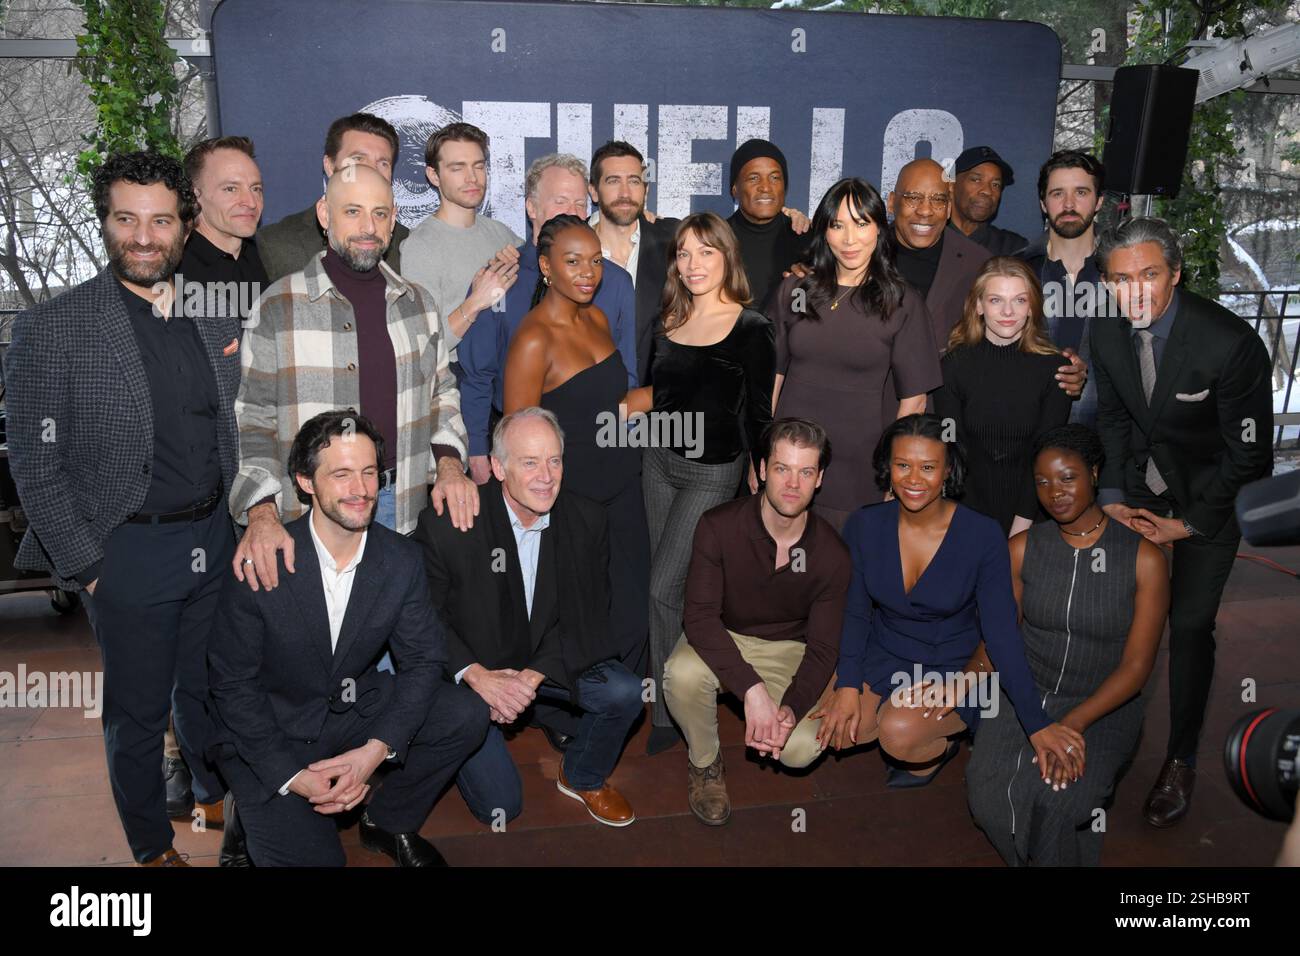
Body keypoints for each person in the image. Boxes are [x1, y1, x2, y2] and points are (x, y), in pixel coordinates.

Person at [4, 151, 240, 866]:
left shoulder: (211, 313)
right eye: (126, 219)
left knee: (206, 688)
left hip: (215, 535)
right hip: (128, 551)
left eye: (160, 221)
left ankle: (213, 793)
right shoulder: (55, 328)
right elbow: (35, 464)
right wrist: (90, 566)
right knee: (137, 714)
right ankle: (148, 845)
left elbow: (237, 422)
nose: (143, 237)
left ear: (184, 225)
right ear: (105, 222)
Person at [207, 411, 488, 866]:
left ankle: (386, 820)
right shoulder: (262, 558)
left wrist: (373, 753)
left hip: (351, 710)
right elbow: (231, 687)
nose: (360, 489)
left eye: (369, 472)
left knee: (465, 713)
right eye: (340, 474)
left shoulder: (399, 560)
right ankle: (246, 804)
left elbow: (423, 662)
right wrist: (291, 776)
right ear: (305, 481)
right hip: (270, 734)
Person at [1090, 217, 1274, 828]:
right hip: (1140, 487)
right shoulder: (1109, 329)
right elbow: (1114, 419)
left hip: (1207, 496)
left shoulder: (1230, 343)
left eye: (1148, 275)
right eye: (1120, 280)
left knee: (1190, 625)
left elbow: (1249, 455)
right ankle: (1099, 739)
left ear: (1175, 274)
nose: (1134, 292)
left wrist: (1189, 526)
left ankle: (1180, 759)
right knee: (1111, 615)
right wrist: (1113, 493)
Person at [229, 164, 476, 597]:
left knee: (398, 654)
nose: (368, 227)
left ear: (394, 218)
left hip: (404, 507)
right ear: (325, 214)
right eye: (353, 212)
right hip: (311, 515)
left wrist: (452, 466)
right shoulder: (276, 308)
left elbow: (443, 395)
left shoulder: (419, 305)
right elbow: (254, 422)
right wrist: (262, 513)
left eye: (380, 214)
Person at [814, 414, 1086, 788]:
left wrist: (1036, 724)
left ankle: (934, 753)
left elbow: (1002, 634)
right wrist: (847, 683)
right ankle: (891, 713)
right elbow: (857, 612)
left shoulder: (982, 535)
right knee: (837, 733)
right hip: (886, 650)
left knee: (898, 733)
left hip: (950, 664)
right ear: (887, 467)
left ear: (948, 471)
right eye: (902, 465)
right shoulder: (865, 524)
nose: (913, 479)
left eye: (928, 467)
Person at [415, 408, 643, 827]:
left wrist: (528, 679)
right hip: (475, 673)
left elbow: (589, 618)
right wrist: (478, 677)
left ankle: (582, 775)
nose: (546, 475)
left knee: (625, 692)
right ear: (498, 467)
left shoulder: (587, 519)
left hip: (546, 663)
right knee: (500, 807)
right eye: (530, 462)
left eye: (554, 460)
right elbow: (425, 621)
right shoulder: (451, 523)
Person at [967, 425, 1169, 866]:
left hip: (1102, 705)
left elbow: (1136, 668)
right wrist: (960, 683)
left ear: (1094, 473)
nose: (1054, 492)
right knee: (990, 802)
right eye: (1042, 482)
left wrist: (1072, 725)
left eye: (1067, 477)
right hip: (1024, 692)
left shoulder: (1144, 559)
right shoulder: (1022, 548)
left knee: (1057, 801)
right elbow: (999, 637)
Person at [663, 419, 850, 825]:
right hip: (722, 633)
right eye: (782, 468)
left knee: (799, 750)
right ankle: (705, 763)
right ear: (762, 469)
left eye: (805, 472)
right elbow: (698, 617)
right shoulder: (718, 525)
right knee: (680, 674)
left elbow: (822, 649)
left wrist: (790, 707)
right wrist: (751, 690)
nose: (792, 483)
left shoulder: (832, 554)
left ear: (820, 479)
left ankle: (780, 722)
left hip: (788, 649)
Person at [643, 212, 774, 754]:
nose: (693, 265)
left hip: (712, 470)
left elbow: (761, 414)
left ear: (727, 258)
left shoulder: (752, 328)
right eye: (684, 253)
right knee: (662, 585)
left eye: (706, 252)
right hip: (657, 462)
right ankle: (673, 697)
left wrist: (761, 473)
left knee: (664, 588)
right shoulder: (667, 319)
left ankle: (669, 716)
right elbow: (655, 396)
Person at [502, 215, 651, 679]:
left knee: (631, 604)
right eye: (573, 262)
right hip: (573, 497)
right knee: (579, 616)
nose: (588, 273)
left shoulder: (599, 317)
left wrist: (682, 382)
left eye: (595, 261)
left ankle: (621, 706)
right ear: (546, 266)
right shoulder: (532, 339)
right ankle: (572, 717)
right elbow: (517, 435)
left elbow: (614, 406)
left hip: (624, 484)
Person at [770, 177, 941, 531]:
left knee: (845, 574)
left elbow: (914, 402)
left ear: (879, 228)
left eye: (861, 223)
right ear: (824, 231)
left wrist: (896, 472)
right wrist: (764, 453)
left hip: (860, 468)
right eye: (838, 225)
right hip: (789, 461)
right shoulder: (794, 290)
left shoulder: (902, 302)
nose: (849, 239)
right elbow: (772, 378)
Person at [458, 153, 637, 485]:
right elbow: (477, 375)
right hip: (517, 453)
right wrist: (478, 452)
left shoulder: (615, 282)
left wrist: (622, 446)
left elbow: (627, 374)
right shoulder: (499, 279)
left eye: (579, 202)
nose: (572, 211)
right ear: (531, 208)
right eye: (560, 200)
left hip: (600, 450)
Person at [933, 256, 1072, 536]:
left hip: (1034, 517)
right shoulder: (953, 366)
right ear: (978, 306)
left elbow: (1044, 455)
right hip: (964, 513)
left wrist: (1020, 527)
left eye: (1020, 300)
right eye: (996, 300)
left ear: (1032, 307)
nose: (1008, 311)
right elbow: (951, 446)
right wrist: (970, 525)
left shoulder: (1055, 370)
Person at [399, 122, 522, 362]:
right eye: (458, 168)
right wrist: (475, 302)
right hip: (456, 386)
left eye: (479, 166)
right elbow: (425, 346)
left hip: (504, 377)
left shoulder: (503, 234)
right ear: (434, 175)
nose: (472, 178)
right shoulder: (420, 246)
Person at [257, 112, 409, 283]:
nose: (371, 171)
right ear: (329, 166)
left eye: (383, 163)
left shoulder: (409, 245)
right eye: (358, 159)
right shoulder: (278, 243)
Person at [1018, 150, 1109, 426]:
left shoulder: (1125, 272)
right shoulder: (1018, 270)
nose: (1069, 204)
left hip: (1109, 440)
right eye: (1058, 193)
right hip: (1030, 433)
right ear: (1044, 204)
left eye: (1081, 192)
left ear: (1099, 201)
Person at [588, 140, 679, 384]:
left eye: (634, 181)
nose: (625, 193)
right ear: (594, 191)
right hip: (587, 407)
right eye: (613, 181)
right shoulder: (568, 249)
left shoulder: (674, 240)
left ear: (646, 190)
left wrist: (789, 219)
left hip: (658, 409)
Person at [180, 135, 269, 311]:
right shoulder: (175, 272)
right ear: (194, 196)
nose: (251, 202)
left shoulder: (265, 257)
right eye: (230, 189)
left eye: (256, 189)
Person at [726, 139, 812, 308]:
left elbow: (808, 310)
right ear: (735, 189)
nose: (765, 187)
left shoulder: (807, 239)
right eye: (753, 178)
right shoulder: (715, 240)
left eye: (774, 177)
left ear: (784, 187)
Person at [946, 146, 1027, 255]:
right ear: (951, 185)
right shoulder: (928, 240)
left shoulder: (1013, 249)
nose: (988, 191)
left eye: (995, 184)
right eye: (976, 179)